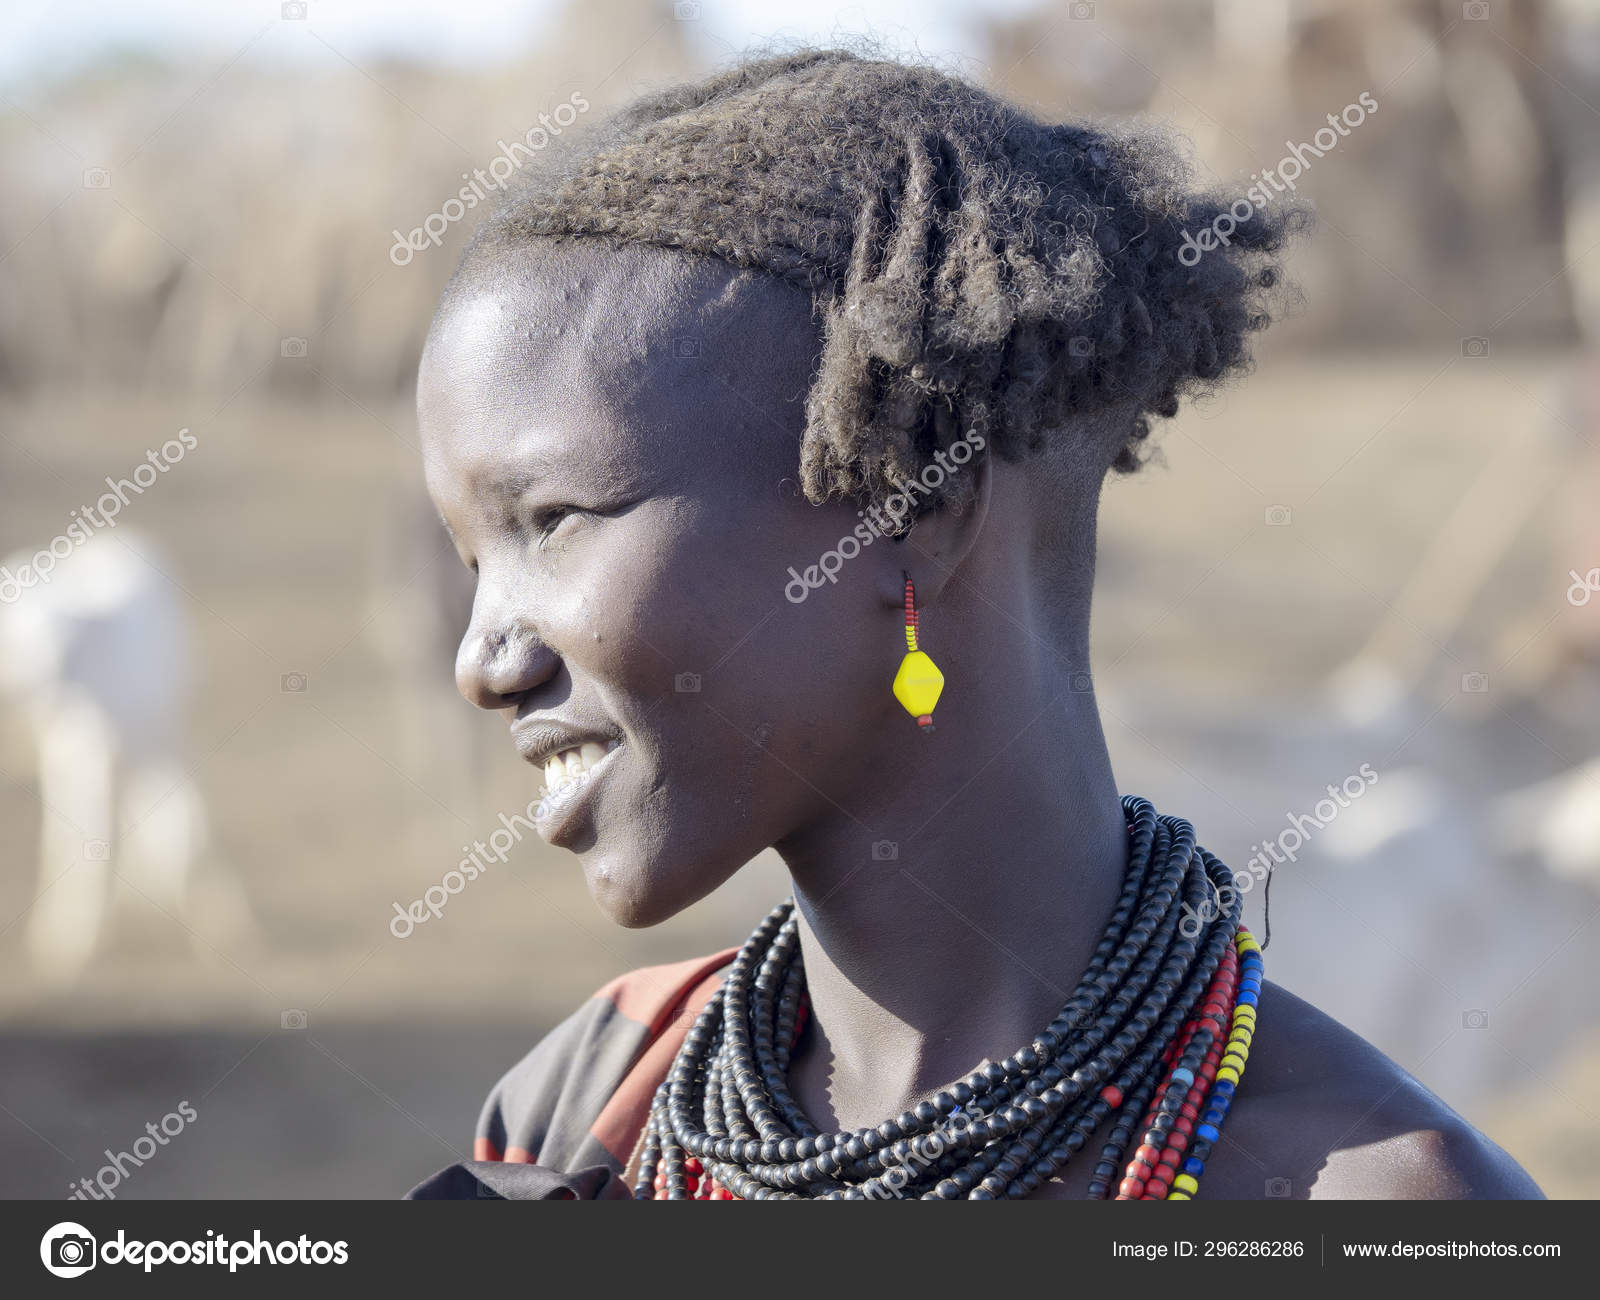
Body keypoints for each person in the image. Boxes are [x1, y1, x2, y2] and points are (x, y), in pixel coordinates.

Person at [406, 50, 1539, 1200]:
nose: (480, 663)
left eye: (550, 520)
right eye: (470, 556)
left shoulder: (1369, 1193)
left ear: (918, 502)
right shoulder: (585, 1104)